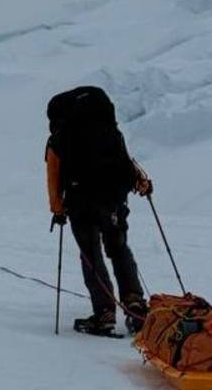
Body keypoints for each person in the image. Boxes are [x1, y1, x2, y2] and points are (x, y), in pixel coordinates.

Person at [45, 87, 152, 335]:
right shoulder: (110, 131)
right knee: (119, 248)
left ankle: (104, 314)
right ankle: (135, 306)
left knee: (91, 254)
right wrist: (141, 182)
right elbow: (126, 161)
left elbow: (53, 175)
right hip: (114, 198)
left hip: (81, 201)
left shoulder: (59, 138)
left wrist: (57, 208)